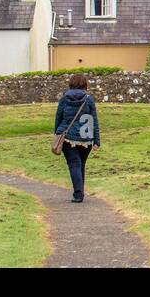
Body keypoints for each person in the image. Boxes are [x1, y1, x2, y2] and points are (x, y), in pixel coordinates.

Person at [54, 73, 100, 203]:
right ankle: (80, 192)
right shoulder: (89, 99)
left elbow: (59, 117)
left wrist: (57, 134)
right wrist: (97, 140)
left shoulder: (64, 99)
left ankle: (78, 194)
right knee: (81, 164)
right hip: (86, 138)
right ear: (84, 84)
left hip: (68, 137)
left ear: (71, 84)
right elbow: (94, 121)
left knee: (74, 164)